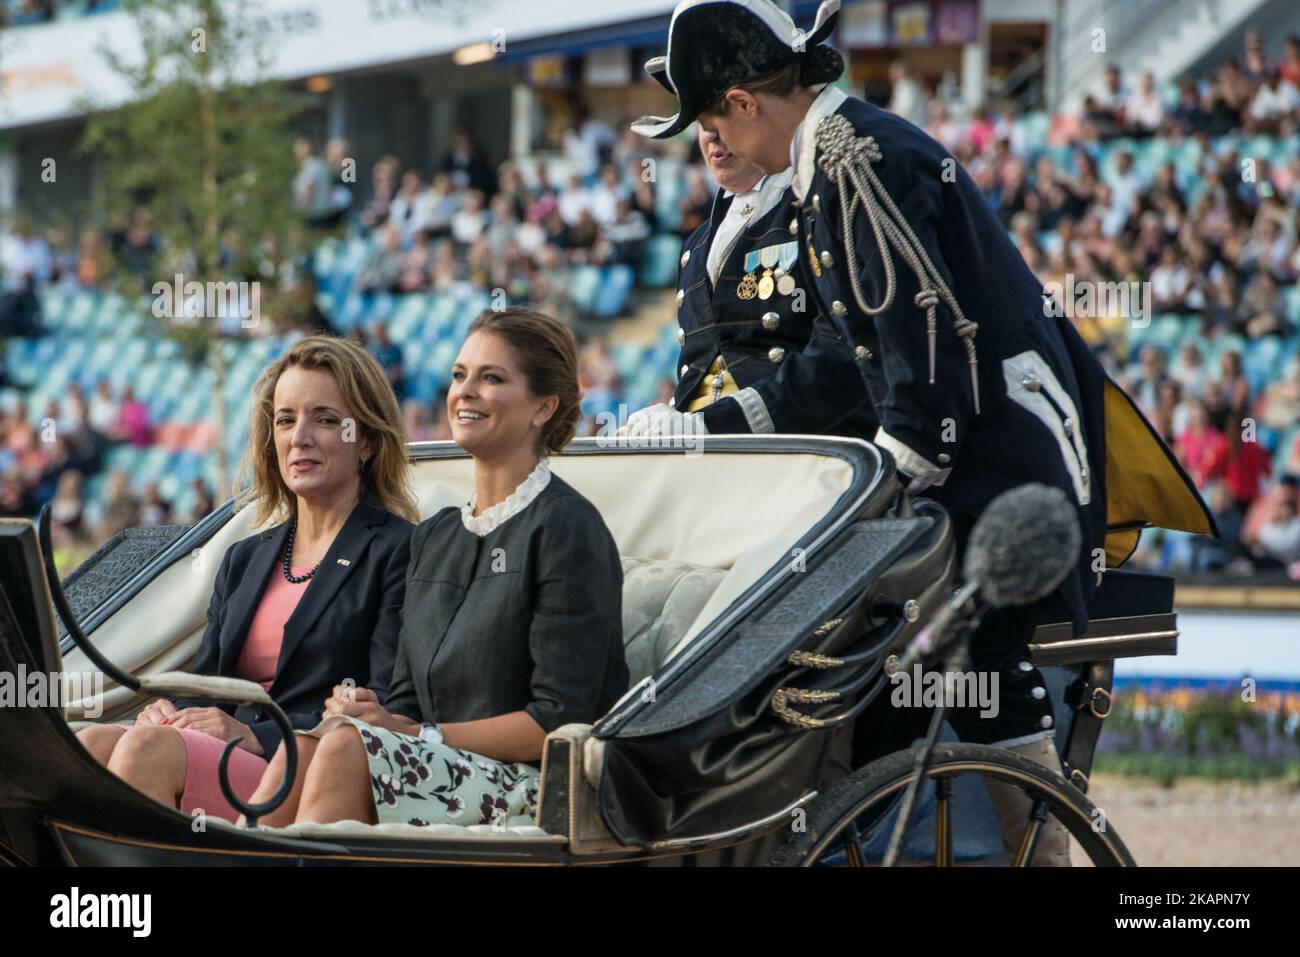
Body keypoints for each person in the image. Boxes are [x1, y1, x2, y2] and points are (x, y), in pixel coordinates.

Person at [633, 0, 1217, 865]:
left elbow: (921, 358)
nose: (713, 143)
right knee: (895, 644)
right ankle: (874, 819)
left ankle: (1036, 846)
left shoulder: (855, 160)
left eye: (712, 118)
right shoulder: (838, 156)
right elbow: (858, 355)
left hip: (999, 466)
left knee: (939, 628)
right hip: (980, 451)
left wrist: (889, 478)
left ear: (744, 103)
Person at [246, 308, 628, 828]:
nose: (464, 391)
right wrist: (371, 713)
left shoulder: (566, 527)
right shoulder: (435, 535)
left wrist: (417, 736)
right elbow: (404, 700)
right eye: (458, 376)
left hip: (529, 783)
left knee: (341, 749)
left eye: (491, 378)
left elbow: (559, 720)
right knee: (314, 741)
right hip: (438, 761)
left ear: (543, 407)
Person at [75, 336, 418, 823]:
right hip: (228, 753)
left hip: (302, 765)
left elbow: (388, 702)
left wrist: (259, 735)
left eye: (324, 419)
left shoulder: (399, 549)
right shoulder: (244, 557)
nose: (299, 436)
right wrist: (169, 709)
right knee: (88, 744)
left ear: (364, 439)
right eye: (285, 420)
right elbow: (207, 683)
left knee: (148, 750)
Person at [623, 68, 871, 439]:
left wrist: (712, 425)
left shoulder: (812, 210)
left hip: (798, 446)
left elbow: (840, 356)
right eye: (705, 128)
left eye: (723, 124)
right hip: (706, 454)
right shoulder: (695, 244)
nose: (714, 141)